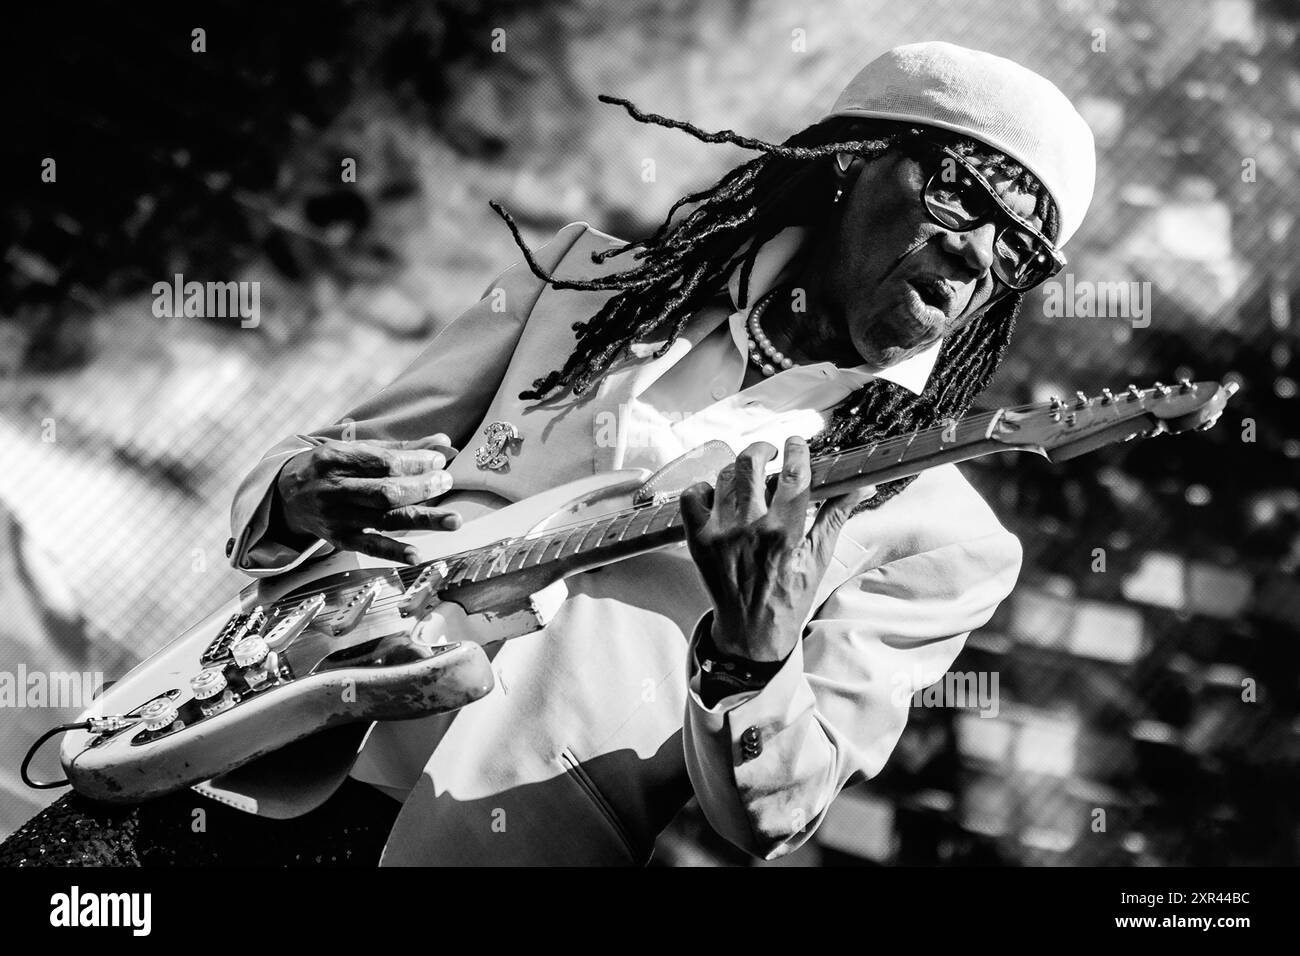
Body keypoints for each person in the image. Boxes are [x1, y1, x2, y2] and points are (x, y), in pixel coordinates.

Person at [1, 40, 1095, 866]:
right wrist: (296, 493)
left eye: (1023, 248)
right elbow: (325, 463)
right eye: (964, 193)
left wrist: (753, 656)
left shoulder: (937, 532)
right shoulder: (584, 286)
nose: (979, 254)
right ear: (852, 160)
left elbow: (771, 816)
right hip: (238, 746)